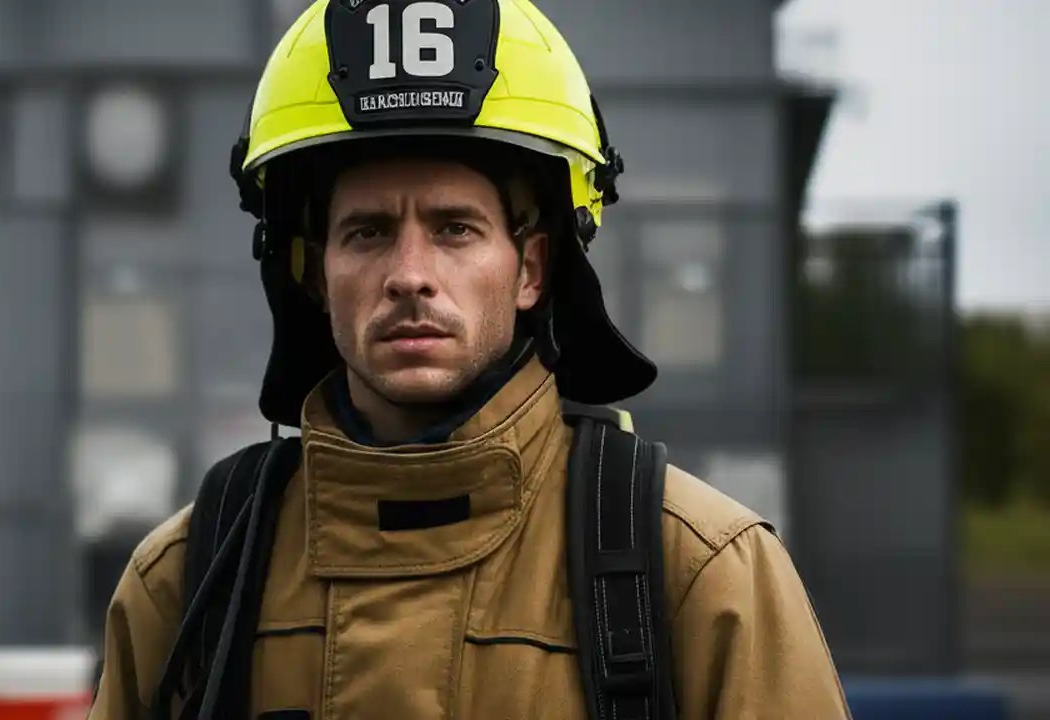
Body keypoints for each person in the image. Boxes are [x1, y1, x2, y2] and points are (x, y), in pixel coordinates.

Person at [89, 0, 850, 718]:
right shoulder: (187, 583)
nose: (409, 274)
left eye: (455, 229)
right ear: (313, 273)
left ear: (532, 269)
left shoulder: (702, 574)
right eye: (367, 232)